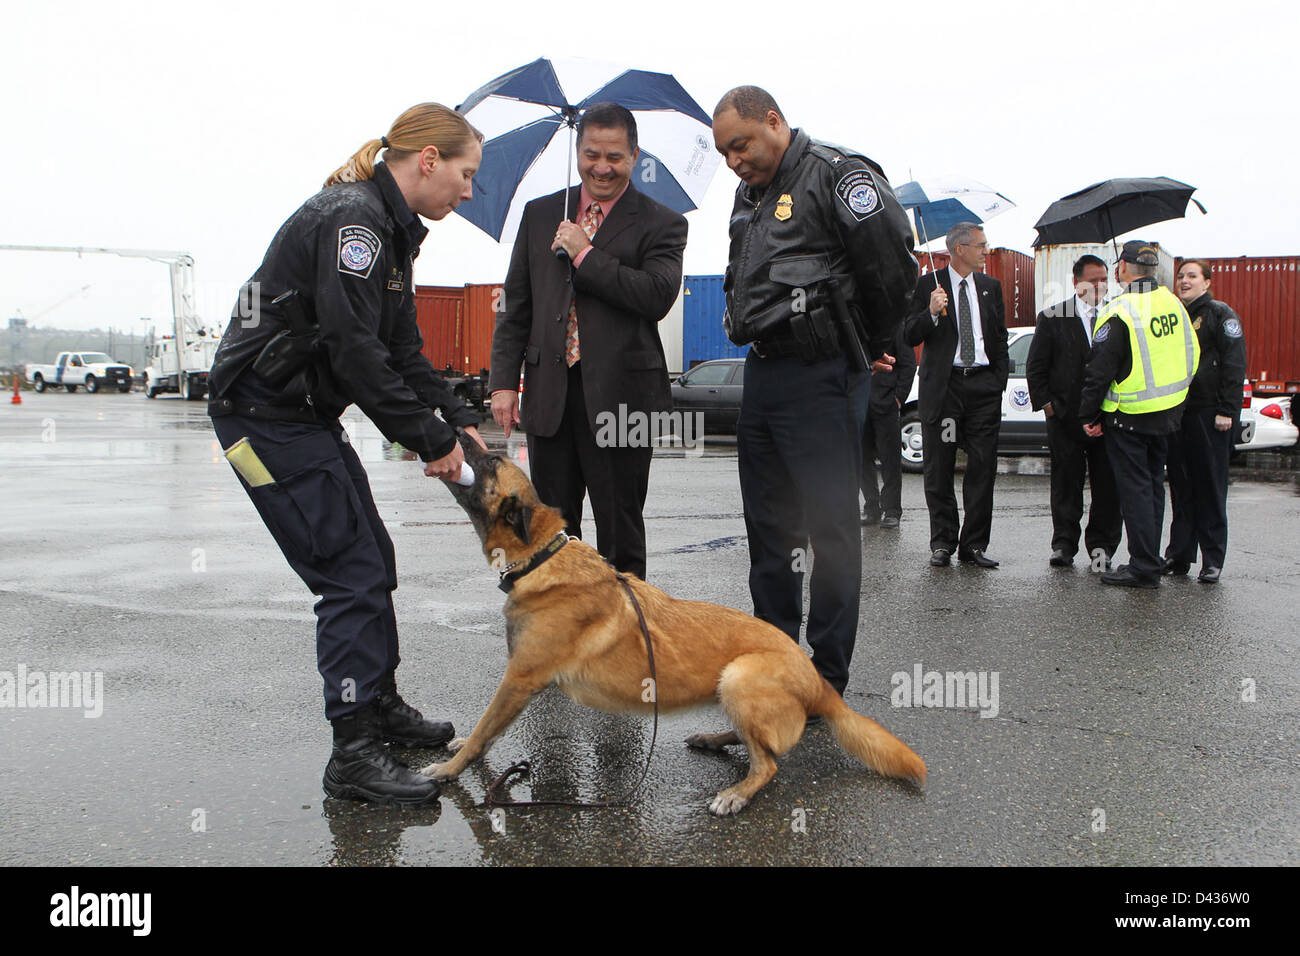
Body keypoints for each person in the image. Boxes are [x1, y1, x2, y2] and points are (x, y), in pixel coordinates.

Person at [207, 103, 488, 806]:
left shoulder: (391, 234)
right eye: (466, 172)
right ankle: (353, 756)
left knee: (373, 559)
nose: (469, 189)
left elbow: (400, 350)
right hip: (257, 425)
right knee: (349, 575)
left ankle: (379, 705)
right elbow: (356, 355)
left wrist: (458, 419)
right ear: (427, 161)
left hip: (299, 416)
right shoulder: (354, 223)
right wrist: (432, 443)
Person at [712, 85, 916, 695]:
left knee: (829, 533)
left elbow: (893, 268)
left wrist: (872, 342)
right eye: (723, 152)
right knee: (769, 534)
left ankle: (825, 681)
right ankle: (774, 678)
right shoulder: (747, 196)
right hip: (766, 373)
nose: (733, 161)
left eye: (741, 145)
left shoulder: (838, 175)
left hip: (825, 372)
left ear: (773, 121)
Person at [489, 102, 687, 581]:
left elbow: (655, 296)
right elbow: (517, 304)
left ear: (635, 156)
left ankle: (624, 641)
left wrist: (585, 254)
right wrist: (502, 383)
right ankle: (564, 640)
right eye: (592, 154)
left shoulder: (663, 222)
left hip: (623, 400)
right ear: (578, 151)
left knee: (620, 532)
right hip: (549, 397)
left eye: (614, 156)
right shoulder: (541, 216)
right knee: (552, 532)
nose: (602, 167)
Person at [1078, 240, 1200, 589]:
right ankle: (1150, 556)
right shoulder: (1173, 303)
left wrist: (1088, 414)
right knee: (1152, 488)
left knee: (1135, 493)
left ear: (1124, 270)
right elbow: (1193, 354)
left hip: (1129, 415)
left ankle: (1144, 564)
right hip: (1167, 414)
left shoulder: (1121, 309)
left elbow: (1099, 370)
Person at [903, 223, 1009, 569]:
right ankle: (943, 542)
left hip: (982, 387)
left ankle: (974, 545)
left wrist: (998, 381)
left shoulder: (991, 287)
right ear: (959, 249)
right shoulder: (927, 286)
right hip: (945, 388)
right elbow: (908, 334)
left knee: (982, 467)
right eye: (980, 246)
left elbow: (999, 337)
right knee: (939, 467)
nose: (985, 251)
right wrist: (931, 312)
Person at [1026, 254, 1123, 569]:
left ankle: (1102, 547)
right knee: (1066, 483)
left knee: (1107, 486)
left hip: (1107, 417)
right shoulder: (1053, 317)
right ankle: (1064, 544)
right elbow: (1036, 367)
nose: (1099, 286)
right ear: (1075, 282)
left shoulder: (1118, 315)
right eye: (1093, 279)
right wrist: (1048, 406)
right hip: (1065, 419)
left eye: (1104, 279)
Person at [1162, 258, 1247, 583]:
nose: (1185, 281)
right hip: (1178, 414)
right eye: (1181, 276)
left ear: (1207, 282)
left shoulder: (1220, 315)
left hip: (1211, 415)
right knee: (1182, 489)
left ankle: (1213, 560)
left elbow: (1234, 364)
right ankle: (1179, 555)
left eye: (1192, 276)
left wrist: (1228, 410)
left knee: (1210, 488)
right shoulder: (1176, 316)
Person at [862, 326, 917, 528]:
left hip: (886, 404)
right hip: (859, 403)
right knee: (862, 458)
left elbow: (909, 364)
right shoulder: (856, 323)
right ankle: (871, 508)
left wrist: (898, 399)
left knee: (890, 460)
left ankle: (892, 511)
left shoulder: (895, 325)